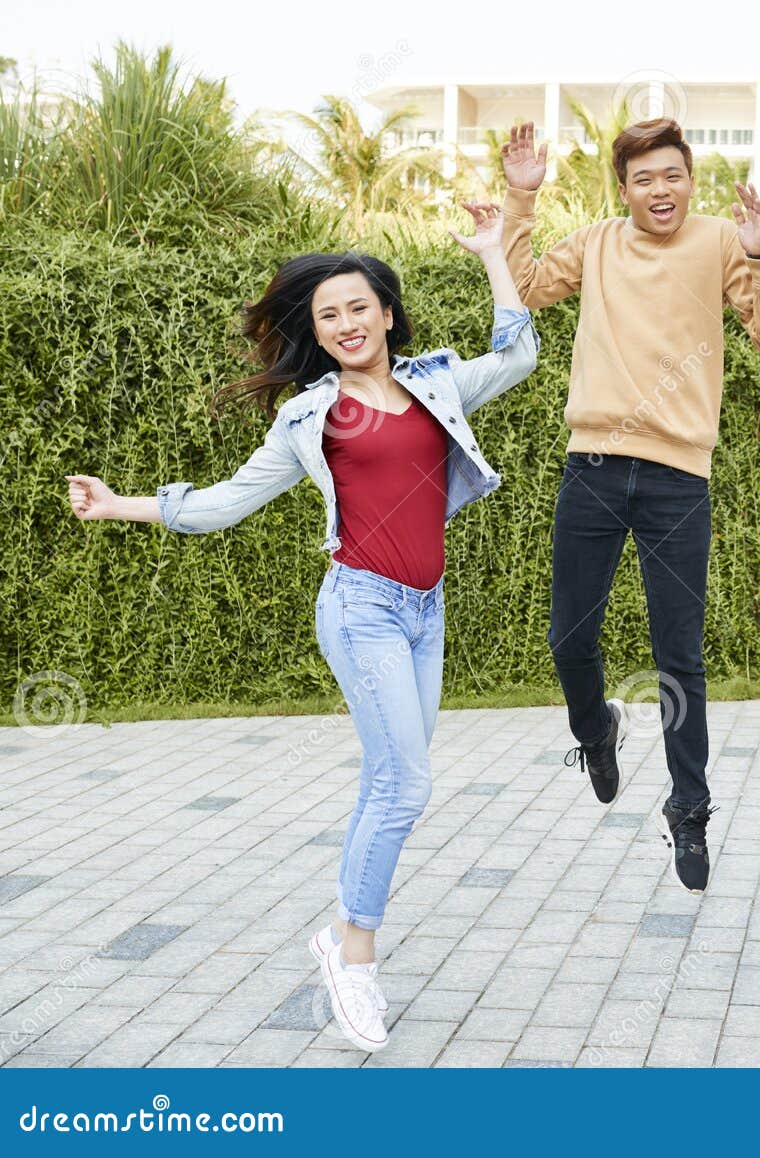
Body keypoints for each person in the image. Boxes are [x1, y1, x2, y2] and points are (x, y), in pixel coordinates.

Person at [65, 205, 538, 1052]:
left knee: (388, 782)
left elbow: (520, 353)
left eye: (359, 307)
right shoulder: (311, 418)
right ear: (315, 334)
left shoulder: (436, 383)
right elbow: (221, 504)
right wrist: (118, 506)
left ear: (386, 312)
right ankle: (353, 955)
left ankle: (340, 936)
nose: (347, 324)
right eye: (329, 315)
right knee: (407, 787)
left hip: (425, 612)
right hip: (360, 609)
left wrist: (496, 253)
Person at [497, 117, 760, 894]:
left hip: (677, 479)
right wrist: (520, 198)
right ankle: (596, 729)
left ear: (689, 179)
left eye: (672, 175)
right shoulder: (597, 243)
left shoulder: (720, 243)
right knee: (569, 636)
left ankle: (689, 806)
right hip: (593, 466)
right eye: (643, 179)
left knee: (679, 657)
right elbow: (524, 285)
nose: (660, 190)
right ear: (622, 189)